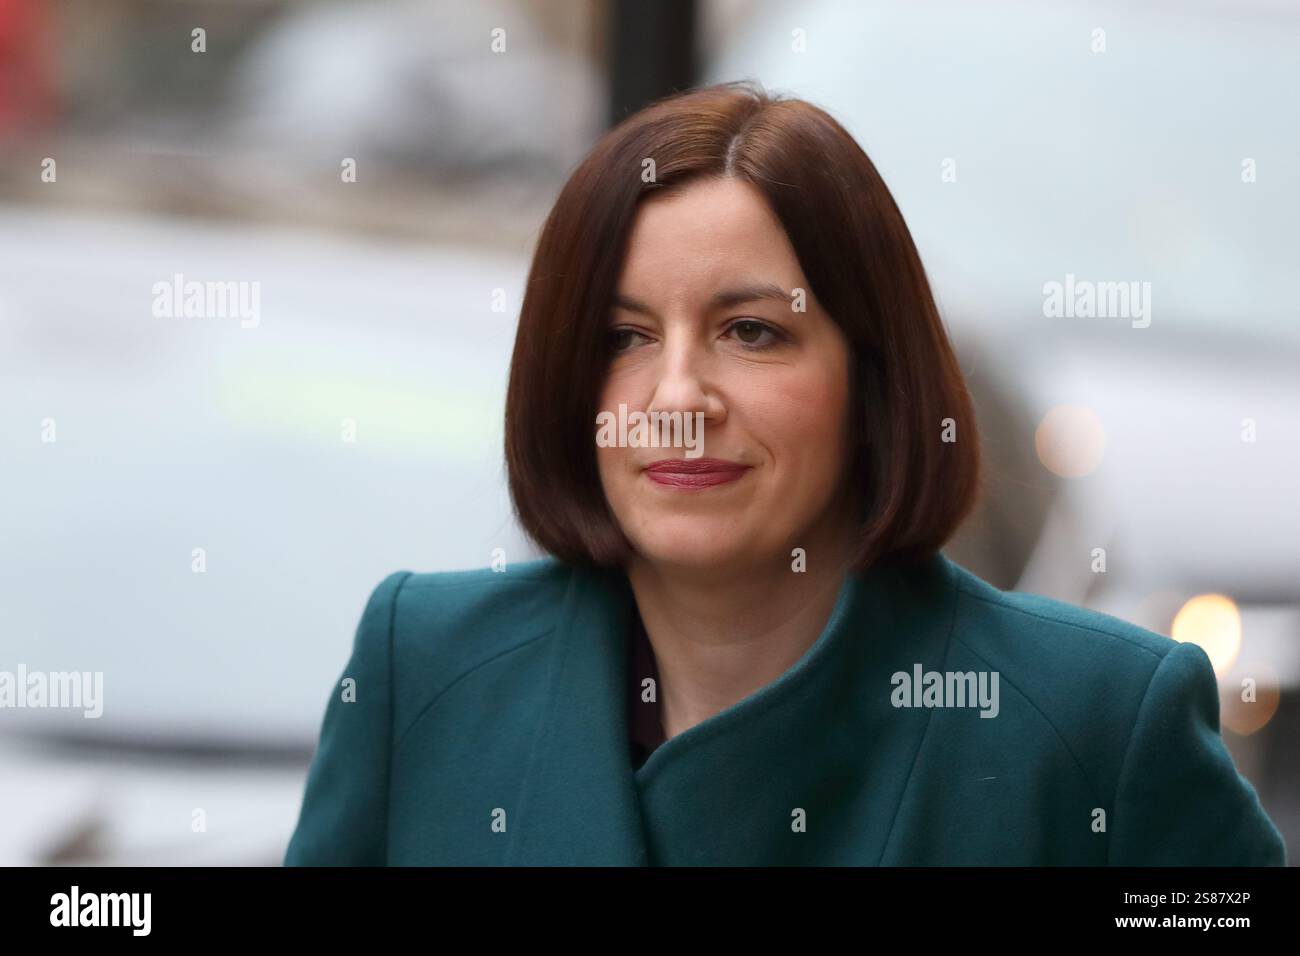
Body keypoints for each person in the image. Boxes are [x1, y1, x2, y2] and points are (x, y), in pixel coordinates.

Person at [283, 80, 1286, 866]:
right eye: (622, 336)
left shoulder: (1098, 719)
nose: (677, 392)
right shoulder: (423, 665)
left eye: (750, 331)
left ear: (875, 378)